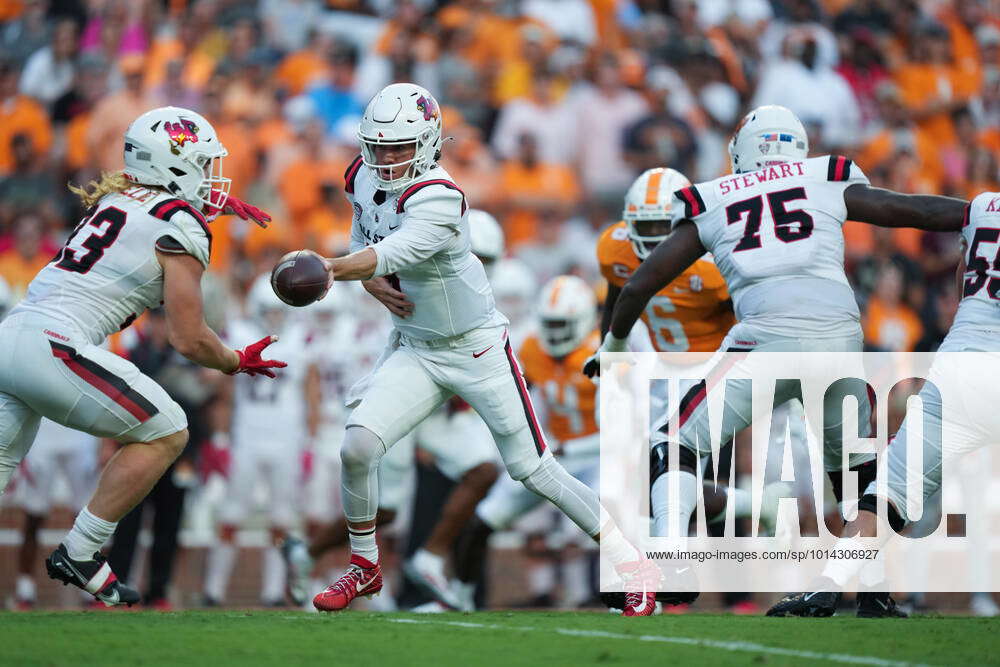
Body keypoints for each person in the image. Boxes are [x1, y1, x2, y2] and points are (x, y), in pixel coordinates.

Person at [585, 105, 967, 617]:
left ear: (741, 150)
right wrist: (980, 210)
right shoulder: (826, 177)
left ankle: (673, 561)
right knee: (854, 472)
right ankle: (876, 591)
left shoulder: (716, 196)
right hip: (839, 342)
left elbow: (639, 284)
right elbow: (913, 211)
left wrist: (611, 346)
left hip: (765, 343)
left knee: (672, 441)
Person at [310, 83, 657, 616]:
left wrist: (333, 268)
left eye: (399, 147)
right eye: (378, 146)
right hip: (418, 345)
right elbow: (366, 236)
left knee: (534, 470)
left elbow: (394, 249)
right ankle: (364, 565)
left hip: (476, 349)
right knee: (357, 447)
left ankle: (631, 565)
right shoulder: (360, 176)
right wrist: (362, 274)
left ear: (427, 143)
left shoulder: (440, 195)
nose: (386, 158)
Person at [0, 106, 286, 607]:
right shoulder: (180, 223)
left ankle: (81, 552)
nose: (211, 177)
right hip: (54, 342)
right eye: (202, 164)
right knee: (169, 429)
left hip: (12, 337)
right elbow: (189, 338)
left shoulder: (118, 199)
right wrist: (236, 360)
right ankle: (82, 550)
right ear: (173, 166)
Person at [768, 190, 1000, 617]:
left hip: (961, 363)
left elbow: (963, 276)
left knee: (891, 489)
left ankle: (827, 586)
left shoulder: (985, 205)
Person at [203, 274, 320, 607]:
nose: (274, 317)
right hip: (247, 437)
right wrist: (220, 438)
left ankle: (273, 593)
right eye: (267, 311)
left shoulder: (300, 336)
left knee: (281, 519)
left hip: (288, 438)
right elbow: (224, 392)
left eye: (278, 311)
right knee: (231, 514)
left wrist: (310, 441)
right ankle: (213, 590)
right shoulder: (239, 334)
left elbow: (311, 391)